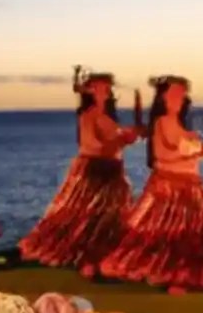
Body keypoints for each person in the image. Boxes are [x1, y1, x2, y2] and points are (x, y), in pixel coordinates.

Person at [99, 76, 203, 293]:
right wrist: (201, 150)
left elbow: (187, 151)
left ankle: (186, 275)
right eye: (174, 93)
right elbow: (165, 154)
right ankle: (176, 277)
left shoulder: (177, 124)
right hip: (171, 186)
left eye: (182, 93)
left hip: (188, 182)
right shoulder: (163, 122)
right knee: (174, 235)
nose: (179, 97)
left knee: (193, 233)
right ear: (163, 98)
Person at [19, 70, 140, 277]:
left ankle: (107, 259)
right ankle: (88, 260)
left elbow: (118, 139)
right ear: (90, 90)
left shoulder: (104, 116)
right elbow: (92, 144)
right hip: (95, 168)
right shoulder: (88, 115)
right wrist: (123, 138)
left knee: (111, 217)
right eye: (99, 87)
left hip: (112, 168)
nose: (105, 90)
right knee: (89, 216)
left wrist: (129, 135)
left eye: (106, 87)